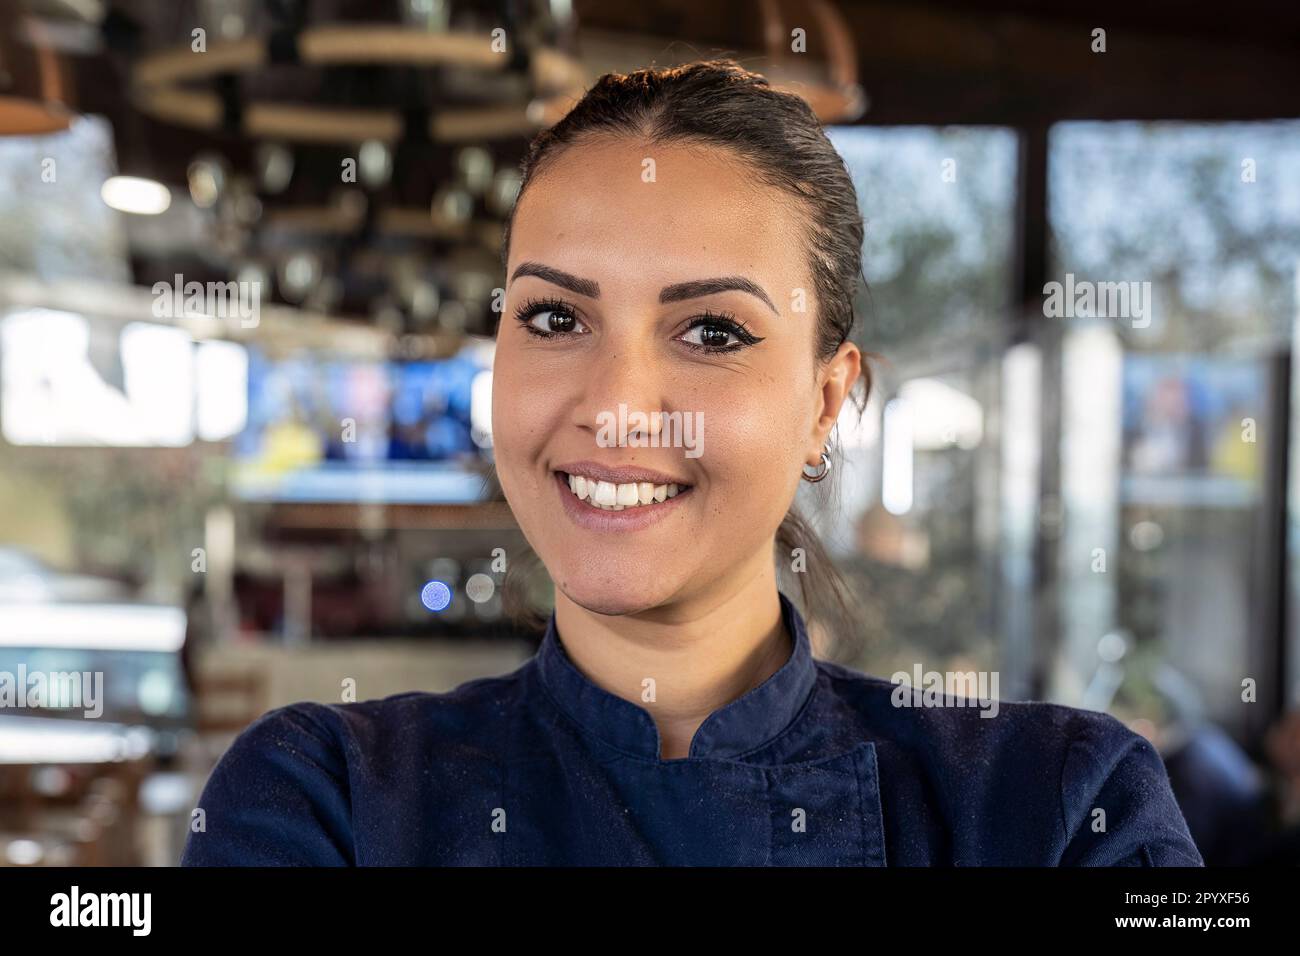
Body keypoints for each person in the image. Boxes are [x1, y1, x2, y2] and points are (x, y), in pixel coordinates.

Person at [181, 59, 1202, 866]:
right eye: (553, 315)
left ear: (824, 402)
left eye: (711, 331)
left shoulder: (1059, 808)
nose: (617, 407)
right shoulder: (324, 798)